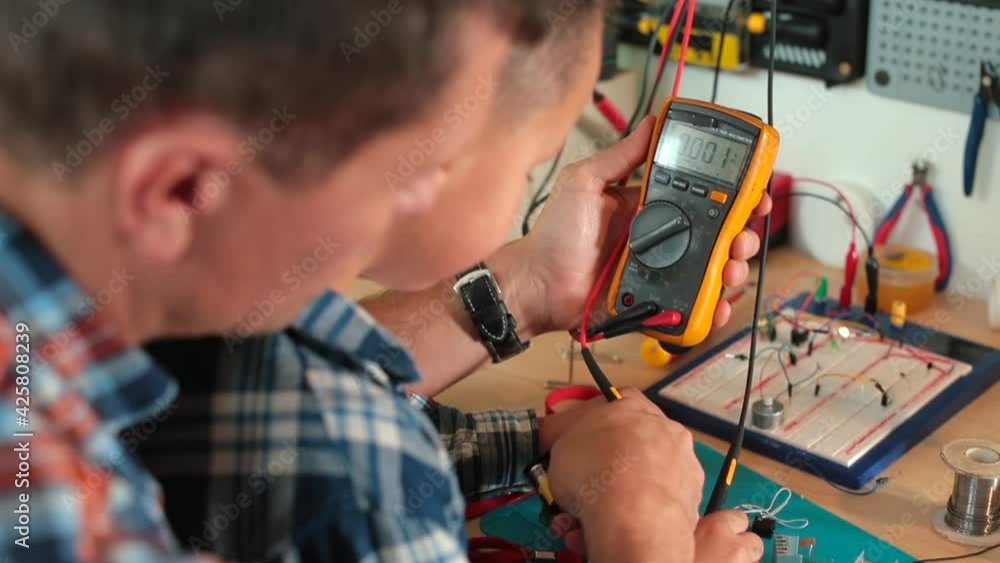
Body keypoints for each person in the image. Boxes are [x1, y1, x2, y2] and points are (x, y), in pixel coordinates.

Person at [0, 2, 768, 562]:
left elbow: (257, 403)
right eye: (421, 166)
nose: (416, 204)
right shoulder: (44, 509)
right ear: (179, 190)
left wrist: (531, 300)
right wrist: (643, 537)